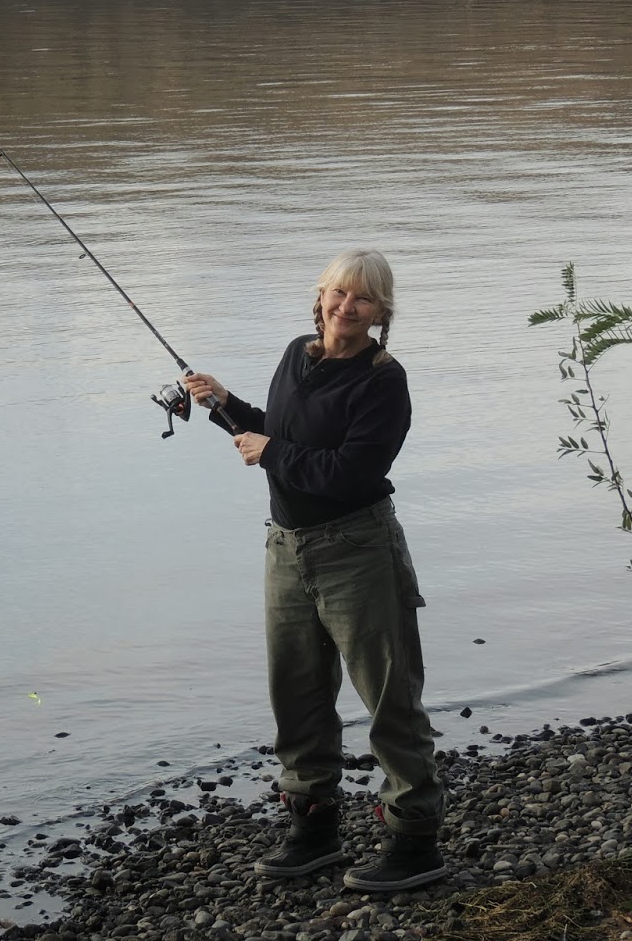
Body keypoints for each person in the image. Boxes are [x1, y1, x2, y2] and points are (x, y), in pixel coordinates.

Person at [183, 248, 447, 893]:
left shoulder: (384, 380)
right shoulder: (296, 353)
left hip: (358, 549)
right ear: (319, 296)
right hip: (286, 548)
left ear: (382, 311)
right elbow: (282, 435)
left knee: (389, 699)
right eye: (337, 293)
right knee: (297, 694)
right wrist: (227, 406)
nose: (345, 307)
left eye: (362, 298)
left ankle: (415, 842)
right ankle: (314, 829)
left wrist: (271, 449)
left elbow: (349, 472)